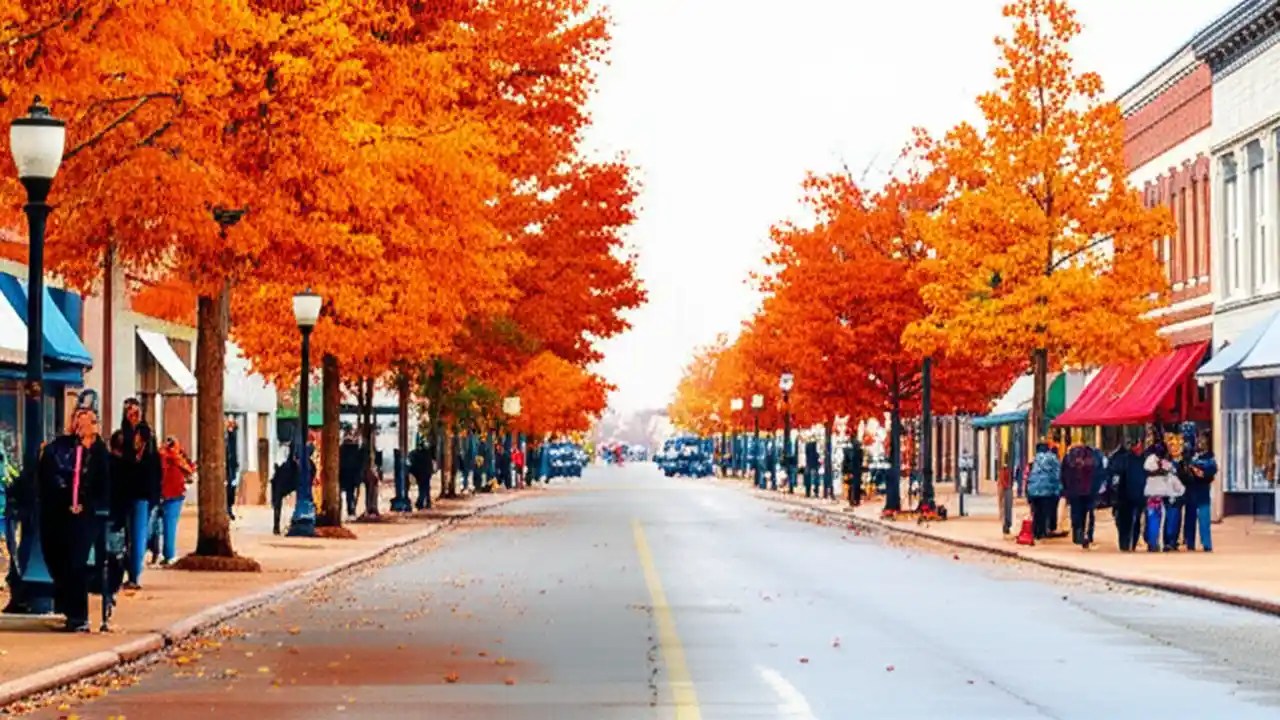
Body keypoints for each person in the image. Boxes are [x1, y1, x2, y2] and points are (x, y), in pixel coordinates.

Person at [40, 393, 111, 632]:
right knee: (59, 559)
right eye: (77, 419)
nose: (80, 425)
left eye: (86, 420)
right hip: (59, 514)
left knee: (76, 563)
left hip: (86, 515)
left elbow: (104, 482)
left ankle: (78, 616)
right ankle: (69, 610)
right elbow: (49, 473)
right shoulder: (60, 447)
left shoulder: (99, 452)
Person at [117, 398, 160, 590]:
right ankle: (129, 571)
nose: (132, 416)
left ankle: (134, 574)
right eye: (129, 412)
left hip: (140, 493)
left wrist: (155, 493)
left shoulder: (146, 436)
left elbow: (154, 467)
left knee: (138, 534)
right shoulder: (121, 437)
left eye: (135, 411)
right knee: (128, 535)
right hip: (125, 492)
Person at [156, 437, 194, 564]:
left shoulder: (160, 455)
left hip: (163, 493)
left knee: (163, 525)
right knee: (170, 525)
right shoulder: (177, 457)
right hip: (175, 492)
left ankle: (162, 551)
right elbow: (189, 469)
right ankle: (169, 554)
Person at [1142, 442, 1181, 552]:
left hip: (1157, 495)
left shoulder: (1158, 462)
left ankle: (1157, 543)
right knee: (1157, 520)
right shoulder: (1158, 462)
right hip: (1157, 495)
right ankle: (1156, 543)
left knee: (1157, 519)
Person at [1183, 432, 1217, 552]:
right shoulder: (1190, 456)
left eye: (1203, 440)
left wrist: (1197, 471)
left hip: (1202, 493)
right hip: (1192, 492)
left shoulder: (1209, 458)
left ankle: (1206, 543)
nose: (1200, 443)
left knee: (1204, 521)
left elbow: (1209, 473)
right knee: (1190, 520)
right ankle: (1189, 543)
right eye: (1199, 440)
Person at [1060, 443, 1098, 549]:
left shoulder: (1069, 458)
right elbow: (1097, 474)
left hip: (1074, 491)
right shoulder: (1091, 458)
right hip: (1088, 491)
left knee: (1076, 513)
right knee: (1088, 513)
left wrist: (1066, 489)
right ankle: (1086, 535)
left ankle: (1078, 535)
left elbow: (1063, 475)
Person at [1025, 442, 1062, 540]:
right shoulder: (1053, 459)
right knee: (1045, 512)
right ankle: (1043, 532)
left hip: (1033, 489)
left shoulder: (1035, 459)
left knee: (1036, 511)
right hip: (1047, 489)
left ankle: (1036, 532)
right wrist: (1059, 489)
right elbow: (1057, 474)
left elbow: (1029, 474)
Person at [338, 431, 362, 516]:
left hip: (342, 475)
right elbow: (359, 464)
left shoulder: (340, 449)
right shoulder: (356, 450)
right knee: (350, 495)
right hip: (352, 476)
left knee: (339, 495)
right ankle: (351, 511)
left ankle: (338, 511)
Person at [409, 439, 434, 510]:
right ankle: (422, 502)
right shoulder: (427, 454)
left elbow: (411, 462)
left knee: (423, 488)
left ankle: (424, 502)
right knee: (425, 488)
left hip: (420, 473)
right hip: (425, 473)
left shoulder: (414, 453)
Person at [225, 418, 240, 521]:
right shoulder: (225, 438)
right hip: (227, 467)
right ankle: (227, 509)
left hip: (232, 468)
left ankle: (229, 509)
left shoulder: (233, 437)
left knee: (231, 489)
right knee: (227, 488)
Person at [844, 442, 864, 507]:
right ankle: (856, 500)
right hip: (857, 470)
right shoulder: (860, 451)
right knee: (856, 486)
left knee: (852, 486)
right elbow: (861, 460)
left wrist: (847, 471)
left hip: (852, 470)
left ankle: (852, 500)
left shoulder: (848, 451)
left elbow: (846, 461)